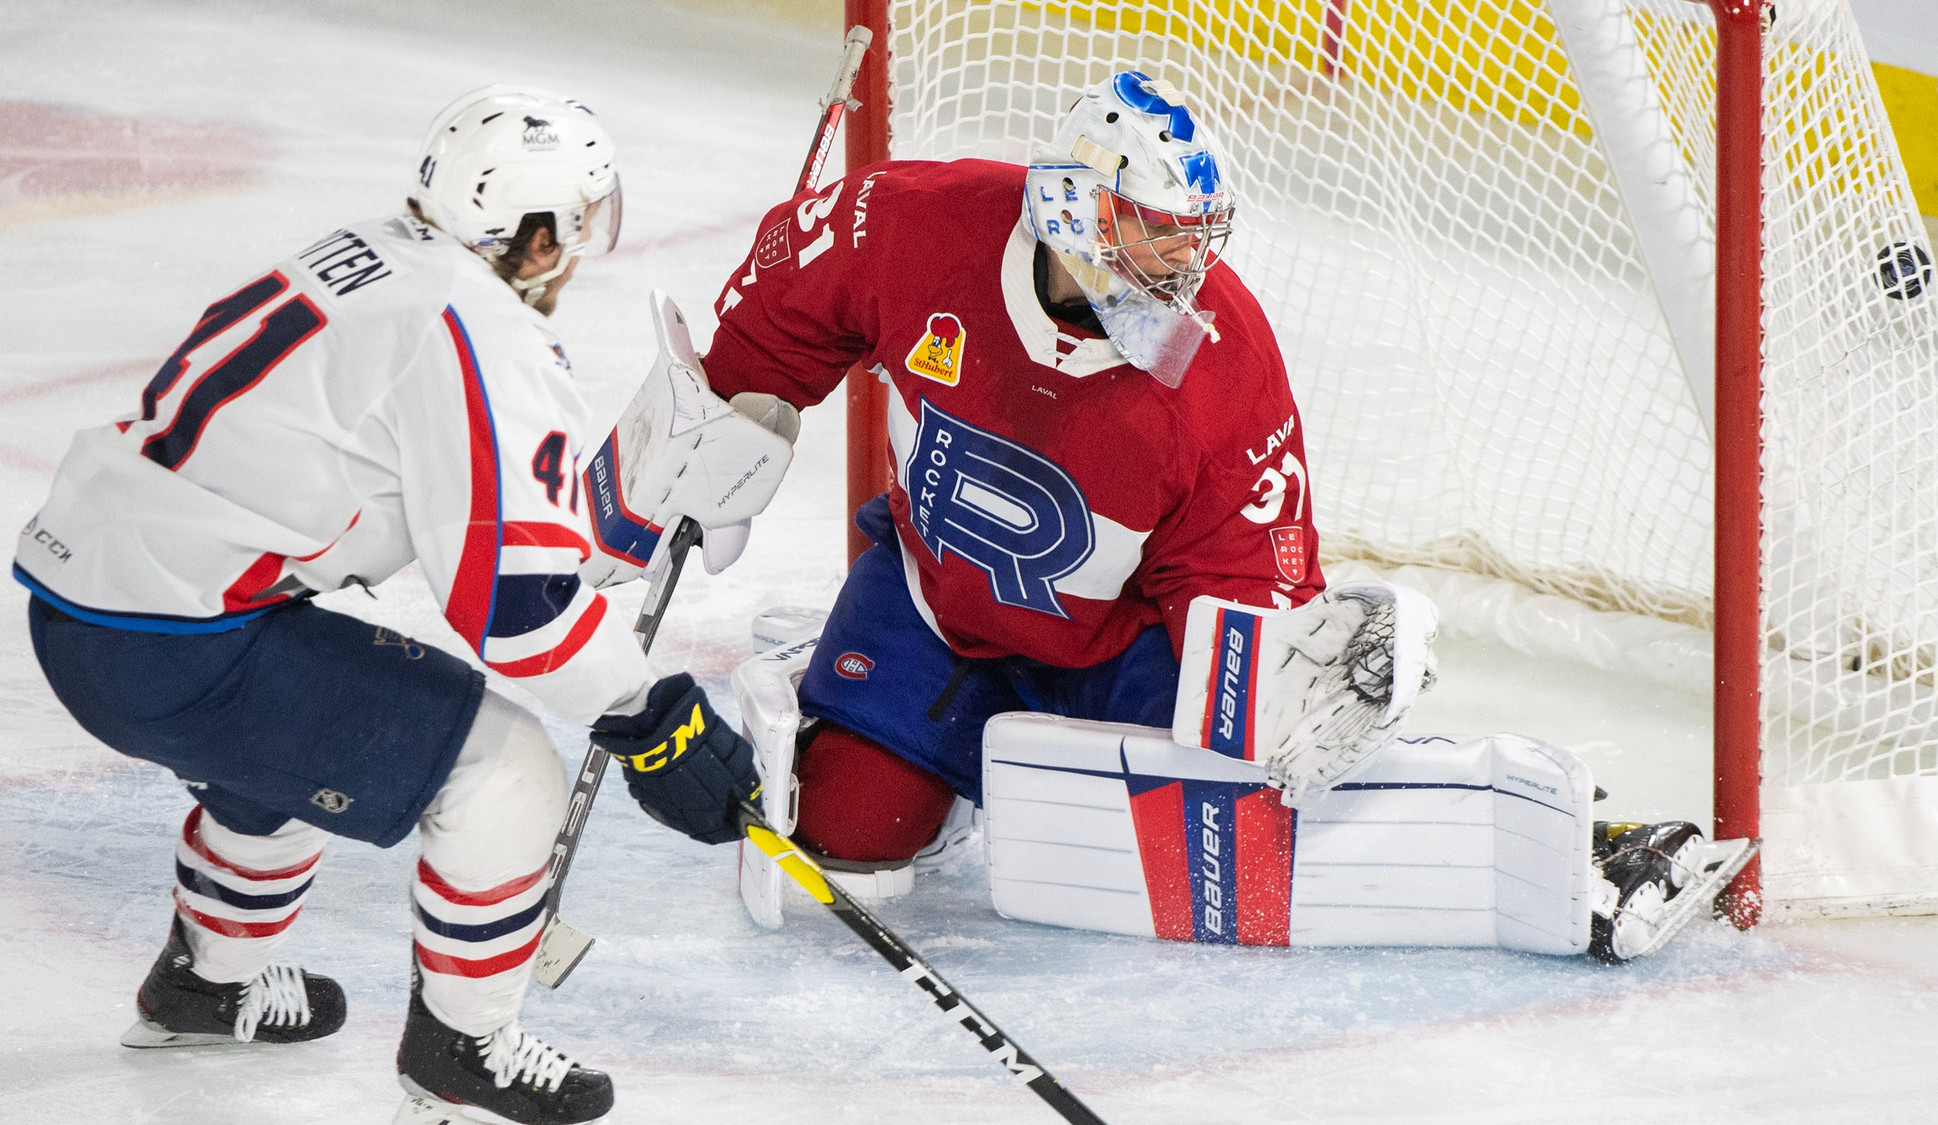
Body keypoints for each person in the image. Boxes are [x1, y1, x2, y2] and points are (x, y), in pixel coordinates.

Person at [593, 69, 1747, 962]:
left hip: (1117, 644)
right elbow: (779, 320)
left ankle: (1573, 839)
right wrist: (713, 436)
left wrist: (1277, 691)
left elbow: (1243, 580)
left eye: (1198, 231)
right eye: (1154, 228)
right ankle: (846, 683)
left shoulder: (1217, 361)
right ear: (1073, 206)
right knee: (845, 848)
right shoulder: (911, 223)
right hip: (932, 604)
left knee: (1257, 813)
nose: (1184, 260)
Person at [14, 86, 766, 1125]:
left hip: (87, 609)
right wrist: (654, 718)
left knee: (293, 745)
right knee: (503, 771)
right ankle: (466, 1051)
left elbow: (444, 509)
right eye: (582, 219)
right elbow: (513, 615)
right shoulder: (482, 333)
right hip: (177, 641)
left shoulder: (376, 252)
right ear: (536, 234)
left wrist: (605, 528)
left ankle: (208, 982)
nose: (586, 245)